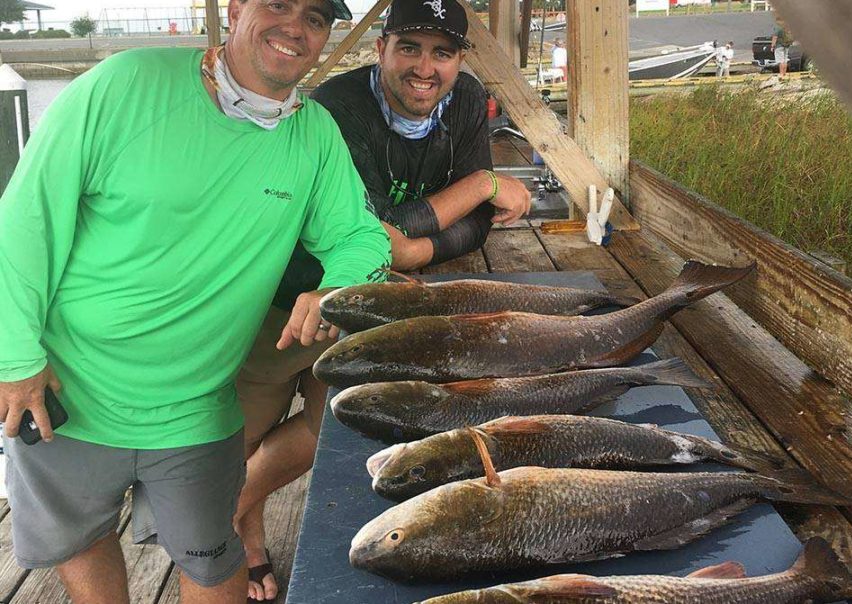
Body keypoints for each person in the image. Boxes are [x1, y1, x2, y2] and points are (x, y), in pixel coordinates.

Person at [0, 1, 391, 603]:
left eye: (315, 17)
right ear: (235, 8)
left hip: (199, 407)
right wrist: (12, 358)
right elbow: (25, 220)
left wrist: (336, 285)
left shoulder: (313, 131)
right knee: (78, 542)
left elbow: (359, 235)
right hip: (66, 389)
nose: (295, 26)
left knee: (212, 560)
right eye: (277, 4)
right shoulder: (124, 83)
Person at [231, 0, 531, 600]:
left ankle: (232, 512)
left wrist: (416, 252)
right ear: (381, 49)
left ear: (460, 60)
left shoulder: (468, 101)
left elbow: (474, 229)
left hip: (362, 303)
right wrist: (477, 185)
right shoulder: (338, 109)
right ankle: (245, 538)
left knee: (331, 426)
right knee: (240, 431)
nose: (426, 68)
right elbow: (375, 225)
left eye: (442, 52)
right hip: (277, 298)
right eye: (410, 49)